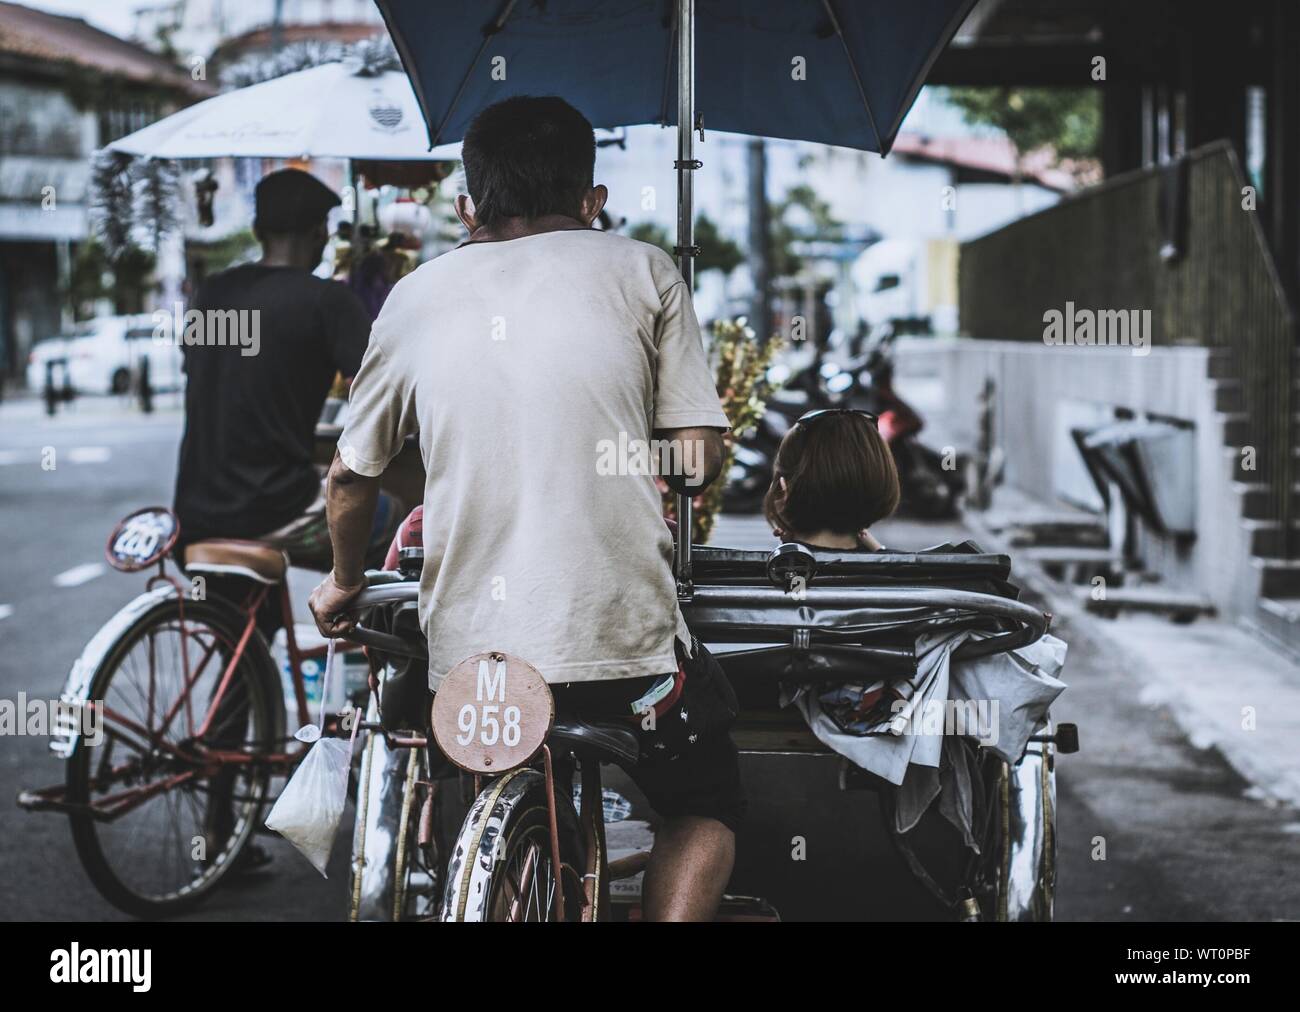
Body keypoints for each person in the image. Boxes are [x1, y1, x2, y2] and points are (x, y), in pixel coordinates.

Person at [308, 96, 738, 921]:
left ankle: (479, 867)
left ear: (467, 207)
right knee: (705, 801)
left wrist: (342, 582)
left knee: (459, 780)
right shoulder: (646, 269)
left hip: (475, 660)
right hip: (623, 644)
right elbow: (698, 460)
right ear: (594, 201)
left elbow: (349, 478)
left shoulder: (415, 296)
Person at [173, 168, 402, 576]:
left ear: (259, 230)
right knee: (391, 514)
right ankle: (358, 629)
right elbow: (378, 394)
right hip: (274, 509)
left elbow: (207, 372)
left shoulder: (211, 294)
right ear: (319, 233)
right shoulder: (327, 301)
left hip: (193, 511)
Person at [764, 408, 901, 551]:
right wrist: (879, 551)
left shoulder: (768, 570)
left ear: (783, 487)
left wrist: (787, 549)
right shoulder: (912, 569)